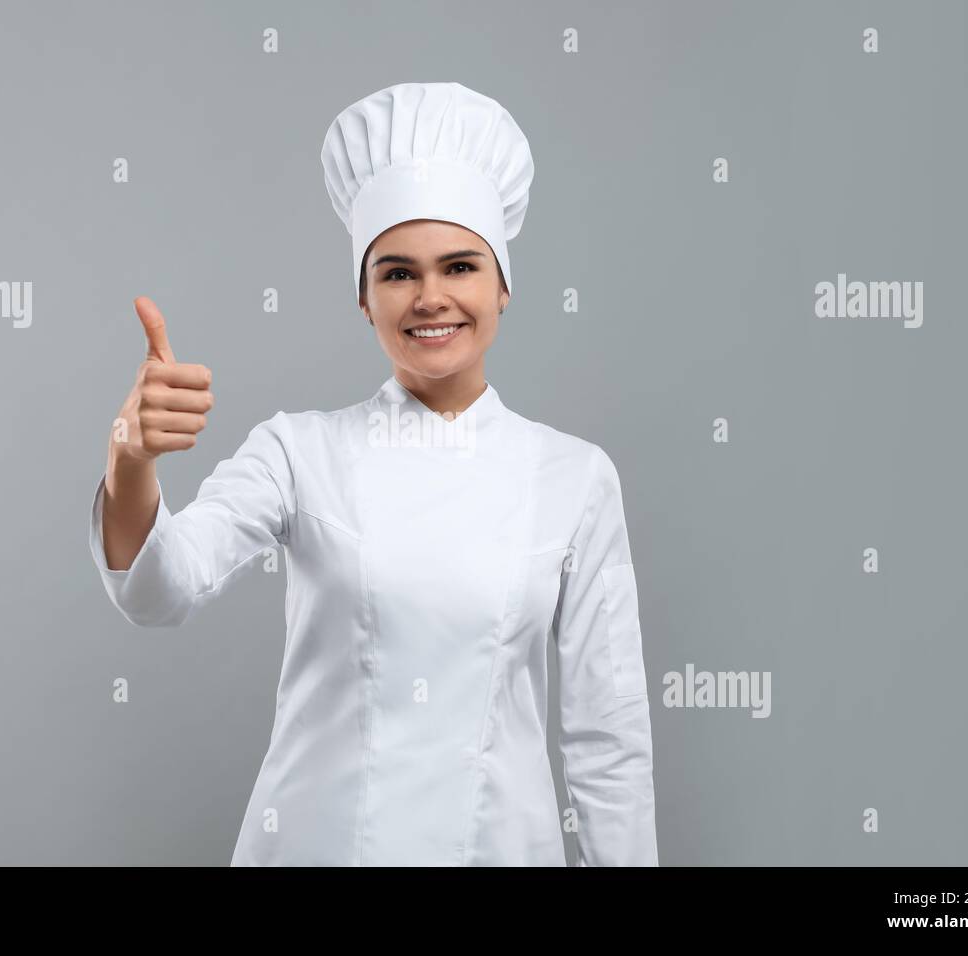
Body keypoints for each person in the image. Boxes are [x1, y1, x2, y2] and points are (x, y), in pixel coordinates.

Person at [89, 81, 657, 866]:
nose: (431, 298)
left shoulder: (574, 478)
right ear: (363, 297)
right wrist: (131, 456)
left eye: (459, 266)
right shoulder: (298, 453)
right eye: (397, 273)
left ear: (502, 286)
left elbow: (608, 737)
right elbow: (159, 592)